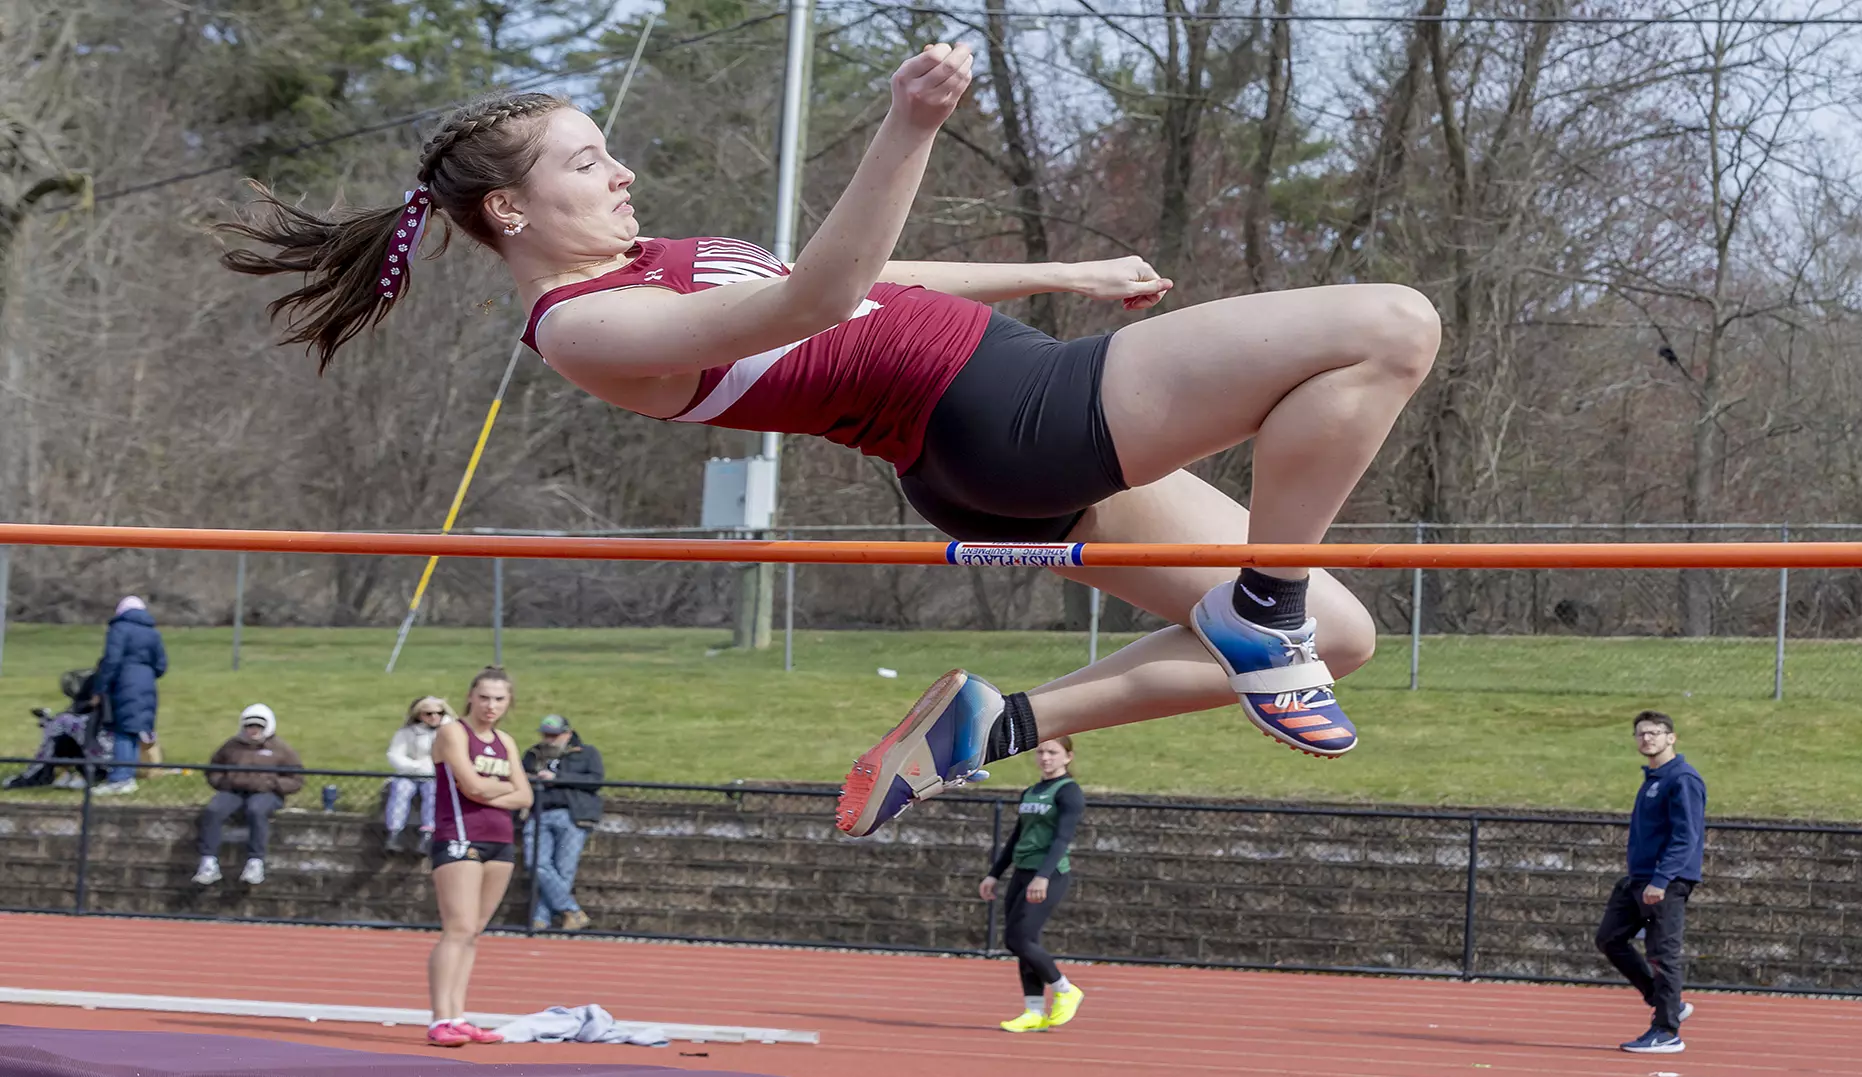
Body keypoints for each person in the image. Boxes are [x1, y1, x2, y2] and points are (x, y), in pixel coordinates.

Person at [217, 43, 1440, 837]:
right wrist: (906, 126)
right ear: (511, 210)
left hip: (990, 428)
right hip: (999, 417)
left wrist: (1062, 266)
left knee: (1350, 633)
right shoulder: (589, 323)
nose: (624, 170)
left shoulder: (646, 262)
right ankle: (1260, 605)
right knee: (1387, 326)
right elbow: (814, 302)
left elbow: (862, 278)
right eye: (591, 162)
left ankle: (990, 726)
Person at [425, 667, 531, 1048]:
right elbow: (468, 786)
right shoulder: (453, 731)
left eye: (499, 699)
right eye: (484, 697)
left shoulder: (505, 740)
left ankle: (458, 1015)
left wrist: (491, 790)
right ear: (471, 696)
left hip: (500, 841)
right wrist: (499, 788)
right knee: (458, 927)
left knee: (474, 932)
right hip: (459, 837)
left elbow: (526, 797)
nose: (491, 705)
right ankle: (440, 1019)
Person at [1596, 710, 1707, 1055]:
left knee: (1662, 953)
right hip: (1638, 880)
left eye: (1655, 733)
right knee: (1609, 939)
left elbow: (1685, 836)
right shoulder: (1653, 779)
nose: (1647, 739)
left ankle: (1667, 1029)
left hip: (1665, 882)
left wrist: (1661, 880)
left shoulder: (1682, 779)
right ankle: (1663, 1002)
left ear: (1671, 738)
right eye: (1641, 734)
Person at [980, 737, 1085, 1033]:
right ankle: (1034, 1011)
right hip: (1022, 873)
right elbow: (1016, 837)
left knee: (1018, 939)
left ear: (1068, 757)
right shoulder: (1031, 792)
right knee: (1026, 944)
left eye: (1053, 752)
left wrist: (1042, 875)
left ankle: (1065, 990)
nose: (1045, 757)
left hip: (1049, 875)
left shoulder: (1069, 792)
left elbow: (1062, 839)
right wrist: (994, 874)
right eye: (1041, 752)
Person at [193, 704, 303, 886]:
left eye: (258, 726)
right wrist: (224, 782)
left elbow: (296, 778)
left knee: (256, 811)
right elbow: (213, 769)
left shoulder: (280, 748)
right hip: (234, 791)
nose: (253, 730)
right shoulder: (231, 746)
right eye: (249, 726)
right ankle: (208, 862)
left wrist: (274, 785)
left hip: (267, 793)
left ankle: (255, 862)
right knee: (213, 810)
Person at [521, 714, 604, 932]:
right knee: (536, 863)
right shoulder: (533, 754)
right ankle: (572, 911)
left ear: (567, 733)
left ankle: (541, 920)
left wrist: (558, 778)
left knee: (564, 870)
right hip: (539, 813)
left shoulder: (587, 753)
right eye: (545, 734)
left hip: (573, 815)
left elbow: (596, 781)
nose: (548, 739)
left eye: (554, 735)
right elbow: (520, 778)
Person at [93, 596, 167, 795]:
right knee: (134, 730)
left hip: (125, 683)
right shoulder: (153, 633)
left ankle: (120, 778)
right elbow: (161, 666)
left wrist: (100, 688)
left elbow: (112, 660)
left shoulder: (119, 628)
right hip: (146, 683)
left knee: (122, 731)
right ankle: (127, 774)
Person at [386, 696, 450, 854]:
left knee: (433, 794)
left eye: (438, 713)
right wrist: (414, 766)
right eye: (428, 713)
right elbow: (395, 755)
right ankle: (394, 833)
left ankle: (428, 835)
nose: (434, 717)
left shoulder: (450, 731)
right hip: (410, 774)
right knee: (400, 790)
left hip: (435, 776)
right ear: (419, 715)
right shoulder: (407, 733)